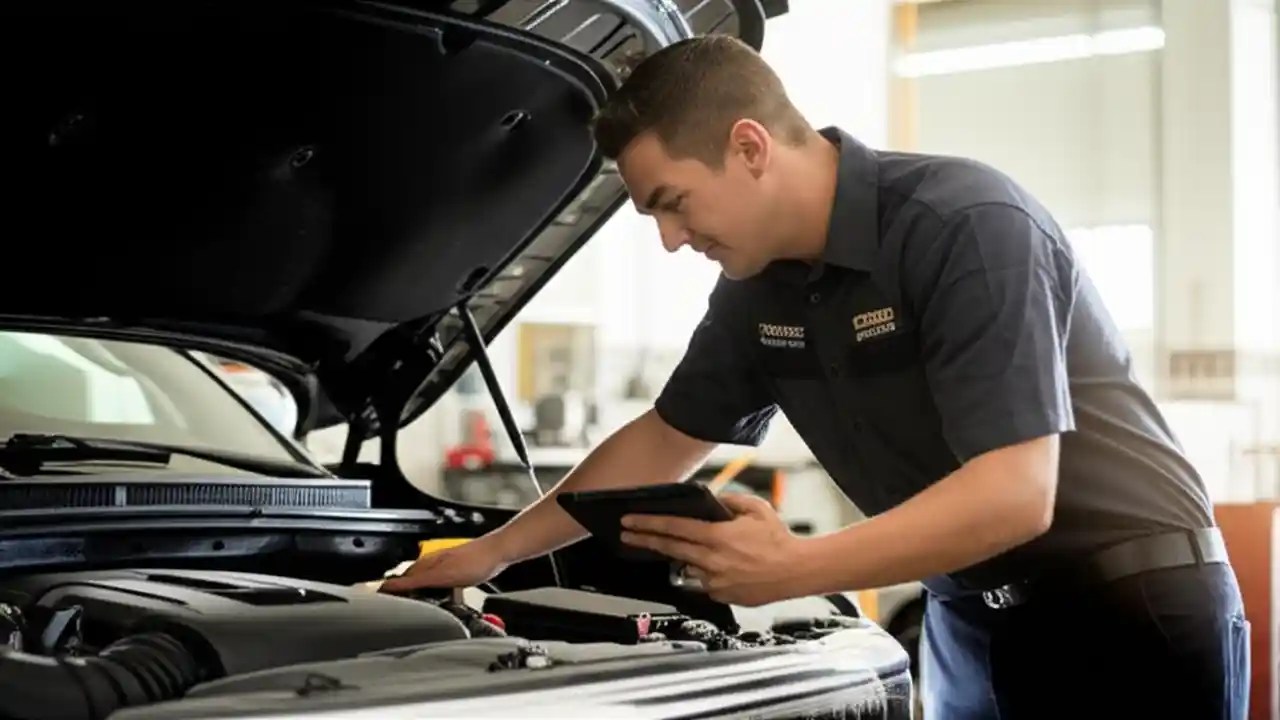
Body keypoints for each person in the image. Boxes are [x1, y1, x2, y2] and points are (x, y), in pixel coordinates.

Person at [381, 36, 1250, 719]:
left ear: (749, 147)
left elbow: (1015, 496)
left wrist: (794, 568)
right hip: (966, 620)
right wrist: (487, 556)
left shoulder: (968, 227)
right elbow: (665, 438)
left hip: (1126, 610)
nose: (672, 240)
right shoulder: (756, 284)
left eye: (672, 202)